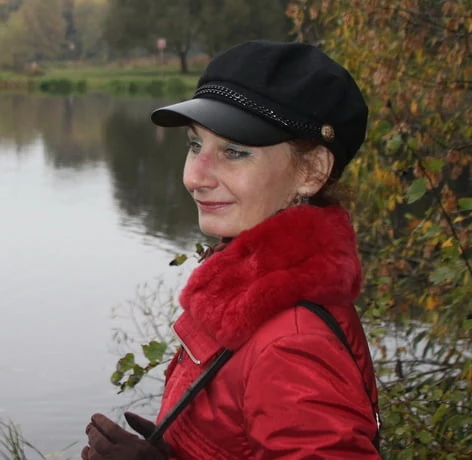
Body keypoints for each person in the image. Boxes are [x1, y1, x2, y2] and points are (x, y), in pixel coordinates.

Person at [82, 41, 381, 459]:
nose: (194, 177)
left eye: (234, 152)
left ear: (312, 171)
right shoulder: (250, 292)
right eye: (194, 145)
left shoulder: (292, 343)